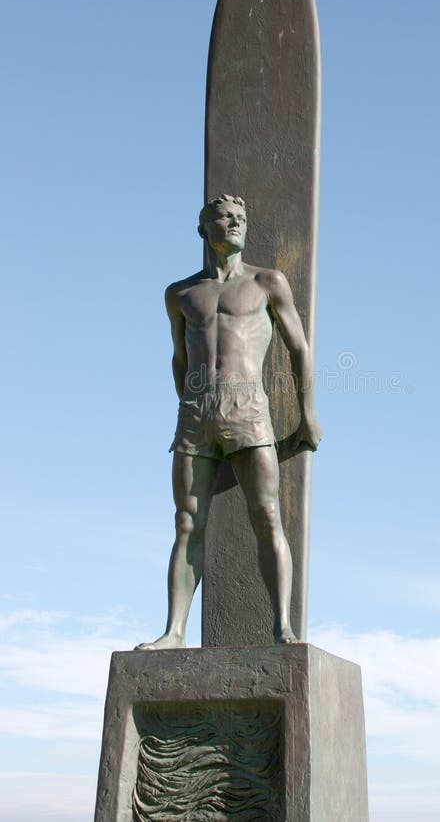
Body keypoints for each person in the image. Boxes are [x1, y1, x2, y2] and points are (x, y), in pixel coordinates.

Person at [136, 194, 321, 650]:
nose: (234, 223)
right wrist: (190, 405)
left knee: (267, 515)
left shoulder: (267, 282)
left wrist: (307, 414)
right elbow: (179, 358)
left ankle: (283, 628)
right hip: (197, 415)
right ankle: (174, 632)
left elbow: (299, 349)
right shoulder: (180, 294)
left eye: (240, 218)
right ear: (205, 229)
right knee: (186, 522)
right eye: (224, 218)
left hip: (249, 410)